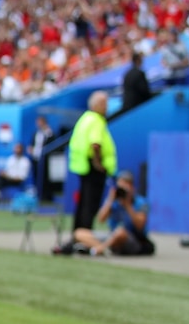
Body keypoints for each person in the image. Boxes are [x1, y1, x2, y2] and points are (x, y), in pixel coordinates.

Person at [58, 170, 154, 256]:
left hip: (133, 239)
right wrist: (110, 199)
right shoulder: (114, 201)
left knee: (120, 232)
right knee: (79, 233)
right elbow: (101, 219)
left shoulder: (141, 203)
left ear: (132, 188)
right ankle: (102, 249)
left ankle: (98, 249)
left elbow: (140, 225)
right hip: (112, 237)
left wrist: (127, 205)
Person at [68, 91, 117, 234]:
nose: (106, 107)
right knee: (90, 204)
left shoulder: (85, 118)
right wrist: (98, 163)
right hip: (93, 168)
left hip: (82, 166)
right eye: (103, 104)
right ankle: (85, 235)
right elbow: (95, 144)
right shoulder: (96, 120)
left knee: (84, 201)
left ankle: (78, 233)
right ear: (94, 105)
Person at [0, 143, 31, 209]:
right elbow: (7, 171)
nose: (16, 150)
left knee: (0, 181)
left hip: (18, 181)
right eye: (16, 148)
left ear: (22, 150)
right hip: (8, 179)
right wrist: (4, 174)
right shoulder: (11, 159)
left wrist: (11, 177)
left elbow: (22, 177)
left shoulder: (25, 161)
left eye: (18, 148)